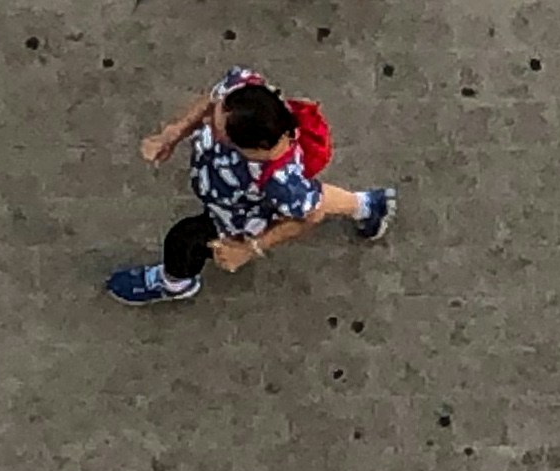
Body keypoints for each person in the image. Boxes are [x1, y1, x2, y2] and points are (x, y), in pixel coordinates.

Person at [109, 68, 393, 305]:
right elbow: (213, 100)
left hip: (237, 213)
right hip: (238, 191)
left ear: (251, 148)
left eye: (217, 130)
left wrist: (250, 248)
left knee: (184, 239)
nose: (208, 120)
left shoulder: (279, 183)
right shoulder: (244, 92)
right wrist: (172, 133)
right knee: (309, 195)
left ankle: (175, 283)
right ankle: (368, 205)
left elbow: (309, 215)